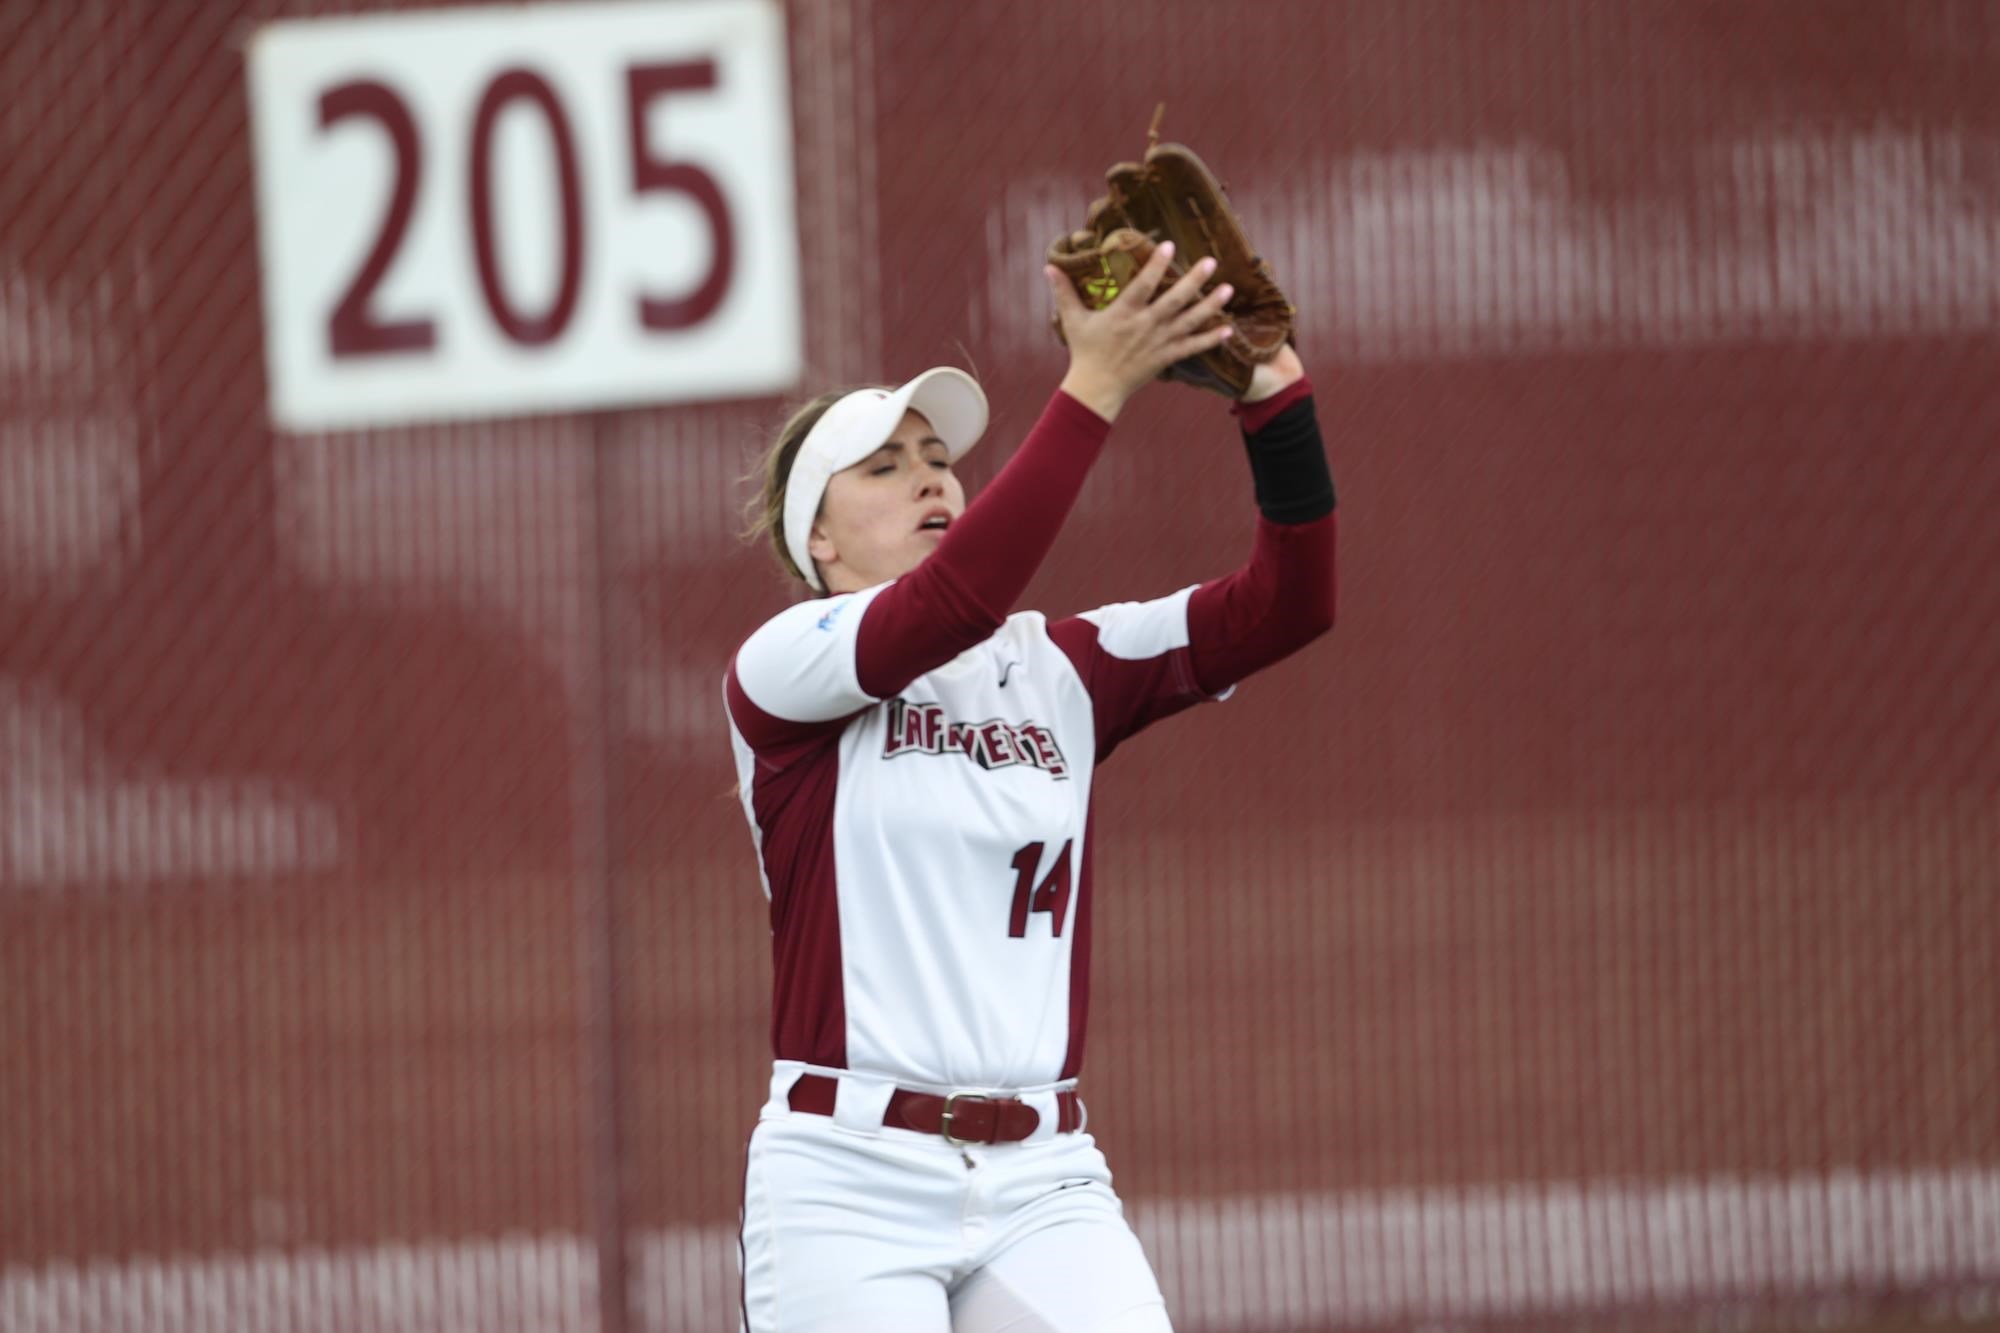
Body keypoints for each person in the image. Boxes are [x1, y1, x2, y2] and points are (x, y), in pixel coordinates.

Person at [724, 241, 1336, 1332]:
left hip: (1043, 1178)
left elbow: (1289, 604)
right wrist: (1094, 381)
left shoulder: (1059, 669)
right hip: (846, 1180)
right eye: (883, 466)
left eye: (938, 457)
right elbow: (952, 603)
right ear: (814, 534)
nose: (930, 476)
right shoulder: (785, 669)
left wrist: (1273, 397)